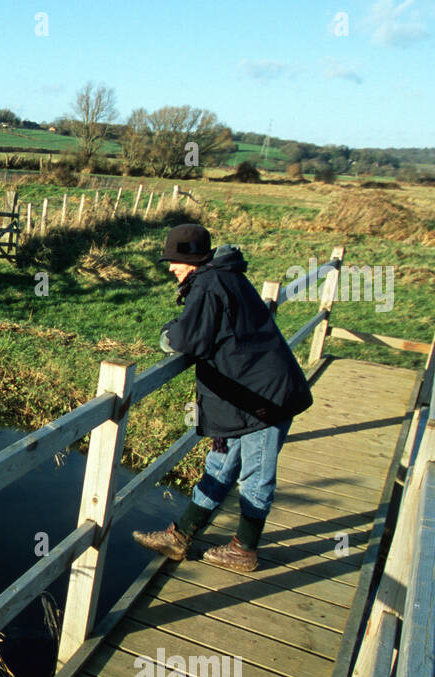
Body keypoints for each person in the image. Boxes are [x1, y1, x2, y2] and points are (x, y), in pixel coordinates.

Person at [131, 223, 313, 572]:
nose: (170, 267)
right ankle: (180, 535)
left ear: (192, 260)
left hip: (263, 398)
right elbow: (204, 329)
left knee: (256, 475)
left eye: (174, 260)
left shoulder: (209, 284)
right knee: (221, 464)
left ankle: (244, 549)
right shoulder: (223, 275)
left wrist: (167, 332)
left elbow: (188, 340)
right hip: (251, 391)